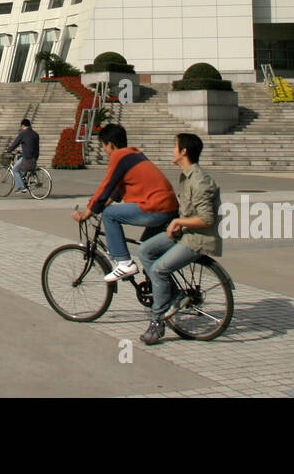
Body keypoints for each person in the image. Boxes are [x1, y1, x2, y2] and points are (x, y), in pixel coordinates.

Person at [136, 132, 223, 345]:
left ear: (184, 151)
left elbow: (206, 219)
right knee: (145, 250)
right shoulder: (186, 176)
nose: (172, 151)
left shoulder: (199, 181)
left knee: (158, 269)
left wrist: (178, 223)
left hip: (197, 239)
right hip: (185, 234)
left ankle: (157, 322)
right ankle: (174, 297)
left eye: (175, 147)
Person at [72, 124, 178, 282]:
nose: (105, 151)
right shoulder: (134, 154)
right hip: (169, 207)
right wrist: (97, 206)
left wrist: (88, 212)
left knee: (109, 215)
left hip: (156, 207)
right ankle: (169, 295)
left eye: (103, 146)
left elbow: (106, 186)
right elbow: (116, 192)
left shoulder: (119, 156)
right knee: (148, 251)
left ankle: (124, 262)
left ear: (111, 145)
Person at [5, 118, 39, 194]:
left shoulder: (23, 133)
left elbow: (16, 143)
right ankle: (23, 176)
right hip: (34, 157)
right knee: (20, 156)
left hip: (27, 157)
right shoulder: (35, 134)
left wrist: (8, 150)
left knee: (14, 170)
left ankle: (21, 187)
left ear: (23, 125)